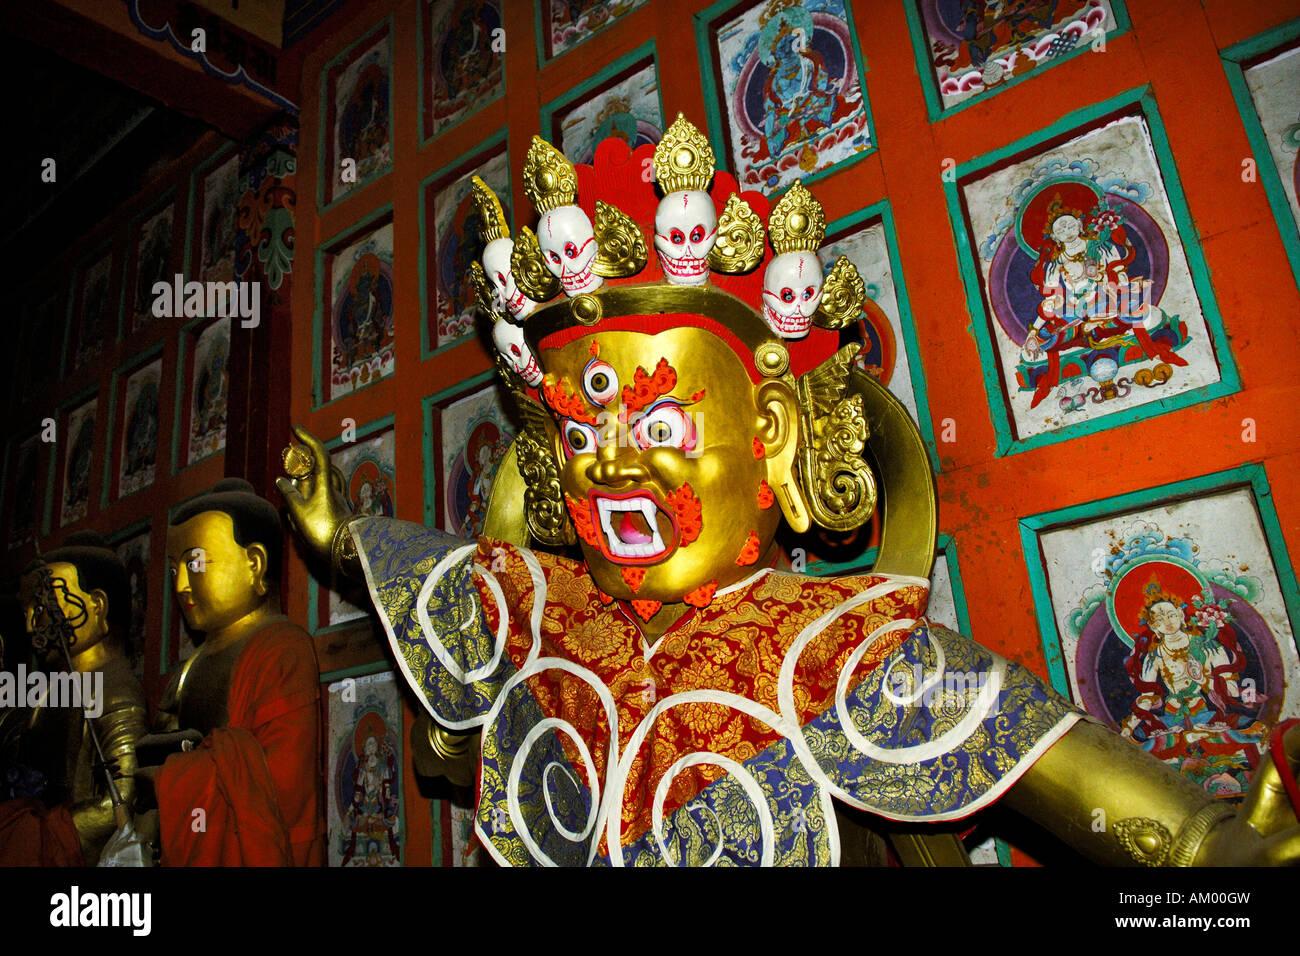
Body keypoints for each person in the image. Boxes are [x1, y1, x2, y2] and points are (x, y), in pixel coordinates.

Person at [280, 119, 1299, 866]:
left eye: (664, 426)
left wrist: (1220, 857)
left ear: (768, 438)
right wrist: (334, 530)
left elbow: (1076, 779)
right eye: (584, 433)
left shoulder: (826, 649)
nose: (617, 463)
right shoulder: (550, 613)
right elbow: (425, 574)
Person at [143, 478, 324, 865]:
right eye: (174, 568)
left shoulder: (281, 648)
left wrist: (169, 782)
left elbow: (279, 788)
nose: (180, 584)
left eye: (194, 563)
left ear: (254, 564)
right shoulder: (187, 669)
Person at [0, 531, 147, 865]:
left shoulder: (113, 688)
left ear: (97, 605)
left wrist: (41, 837)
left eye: (44, 606)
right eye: (28, 611)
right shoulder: (48, 693)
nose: (31, 625)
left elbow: (124, 795)